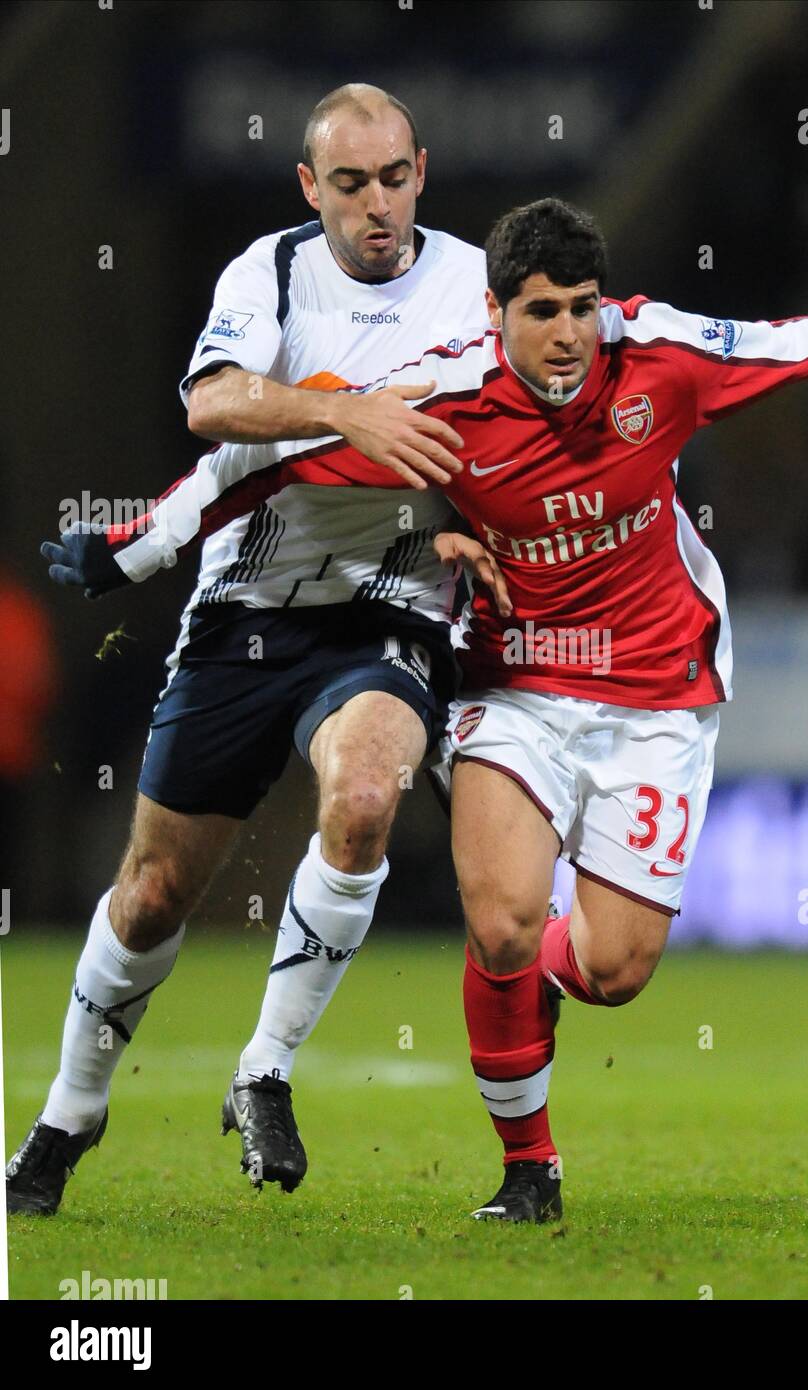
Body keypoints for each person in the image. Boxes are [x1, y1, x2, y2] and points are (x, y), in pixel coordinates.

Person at [191, 196, 808, 1222]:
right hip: (513, 680)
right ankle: (531, 1173)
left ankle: (542, 991)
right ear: (497, 310)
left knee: (613, 967)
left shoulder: (659, 354)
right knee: (506, 923)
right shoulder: (442, 389)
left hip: (657, 687)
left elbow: (803, 349)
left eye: (581, 307)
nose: (567, 332)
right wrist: (136, 545)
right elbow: (269, 467)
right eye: (542, 311)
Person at [5, 83, 507, 1216]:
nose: (376, 206)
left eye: (393, 179)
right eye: (349, 184)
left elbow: (522, 428)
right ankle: (67, 1115)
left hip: (393, 607)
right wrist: (351, 412)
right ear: (308, 188)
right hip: (245, 613)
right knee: (151, 896)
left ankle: (265, 1066)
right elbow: (219, 407)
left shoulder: (479, 282)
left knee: (368, 794)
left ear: (421, 170)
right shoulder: (270, 271)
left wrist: (491, 524)